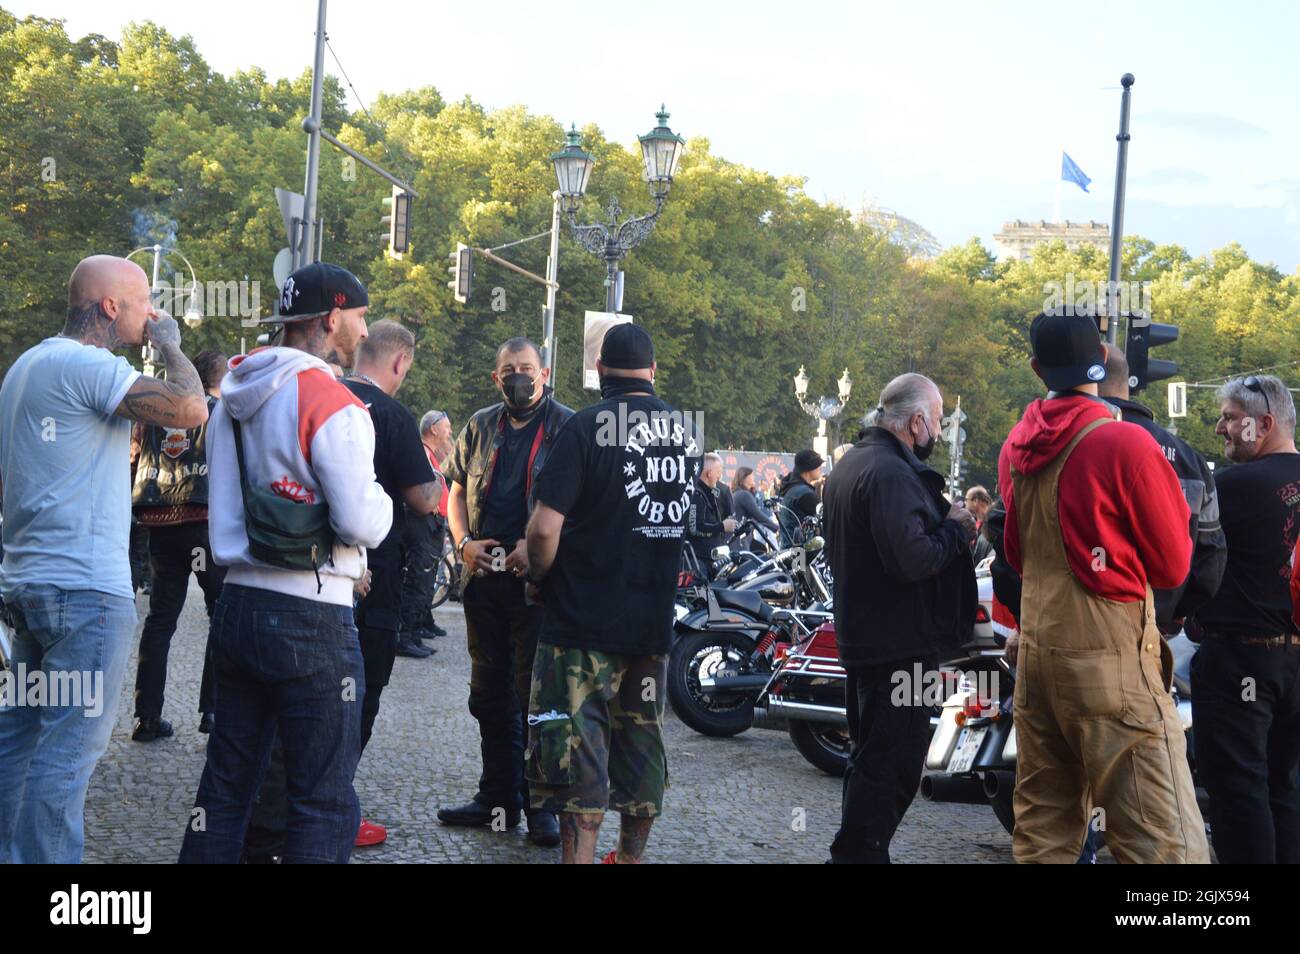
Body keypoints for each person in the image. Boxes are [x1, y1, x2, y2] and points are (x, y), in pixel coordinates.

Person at [179, 262, 392, 864]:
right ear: (331, 319)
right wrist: (382, 505)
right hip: (313, 614)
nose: (364, 329)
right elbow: (360, 520)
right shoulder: (332, 399)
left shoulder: (233, 396)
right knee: (322, 800)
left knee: (223, 790)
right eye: (359, 317)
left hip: (239, 600)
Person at [0, 254, 208, 863]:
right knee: (66, 758)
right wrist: (170, 345)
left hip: (25, 587)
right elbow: (191, 408)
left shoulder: (24, 368)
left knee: (18, 738)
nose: (153, 315)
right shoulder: (89, 365)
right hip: (84, 593)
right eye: (145, 303)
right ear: (111, 307)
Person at [998, 312, 1207, 864]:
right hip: (1109, 665)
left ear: (1037, 368)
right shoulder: (1124, 443)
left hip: (1038, 663)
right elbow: (1172, 566)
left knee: (1044, 830)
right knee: (1161, 837)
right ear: (1105, 363)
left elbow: (1015, 553)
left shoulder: (1015, 448)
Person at [524, 322, 700, 863]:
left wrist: (536, 578)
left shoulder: (584, 427)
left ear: (600, 370)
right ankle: (628, 860)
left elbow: (542, 530)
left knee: (577, 757)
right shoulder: (684, 435)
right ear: (652, 371)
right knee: (642, 748)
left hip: (580, 625)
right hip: (649, 627)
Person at [822, 373, 977, 863]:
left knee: (872, 758)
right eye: (935, 422)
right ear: (915, 422)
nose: (937, 433)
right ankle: (856, 856)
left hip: (871, 636)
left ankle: (860, 853)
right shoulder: (890, 472)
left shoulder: (855, 462)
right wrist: (955, 530)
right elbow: (911, 559)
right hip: (898, 645)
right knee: (892, 763)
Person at [439, 337, 572, 848]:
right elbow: (453, 492)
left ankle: (542, 807)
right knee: (488, 697)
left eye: (527, 368)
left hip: (537, 587)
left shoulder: (566, 427)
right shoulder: (478, 426)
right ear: (497, 378)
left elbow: (578, 506)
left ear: (545, 372)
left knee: (538, 698)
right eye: (509, 370)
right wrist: (464, 543)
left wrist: (533, 549)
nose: (519, 377)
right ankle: (496, 799)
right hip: (483, 582)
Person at [1190, 374, 1300, 864]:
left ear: (1265, 424)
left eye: (1232, 419)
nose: (1221, 428)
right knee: (1285, 787)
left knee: (1238, 791)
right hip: (1294, 663)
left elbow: (1184, 561)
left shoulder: (1231, 487)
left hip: (1242, 661)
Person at [344, 319, 441, 848]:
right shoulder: (393, 415)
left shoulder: (323, 394)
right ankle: (334, 805)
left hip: (316, 572)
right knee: (362, 693)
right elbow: (424, 498)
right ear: (400, 362)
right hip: (374, 576)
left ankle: (288, 807)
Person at [130, 348, 229, 741]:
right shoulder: (219, 411)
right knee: (219, 615)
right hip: (203, 525)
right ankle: (213, 712)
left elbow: (139, 454)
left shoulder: (161, 409)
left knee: (160, 620)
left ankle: (145, 716)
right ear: (219, 378)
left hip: (161, 524)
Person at [1098, 344, 1226, 633]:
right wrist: (1170, 612)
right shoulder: (1190, 460)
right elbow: (1212, 555)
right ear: (1127, 382)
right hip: (1156, 632)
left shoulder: (1072, 445)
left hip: (1083, 628)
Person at [399, 409, 453, 644]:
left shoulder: (430, 455)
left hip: (432, 523)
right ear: (433, 429)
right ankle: (408, 636)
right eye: (446, 428)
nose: (449, 433)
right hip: (423, 523)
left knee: (425, 578)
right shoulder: (422, 453)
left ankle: (417, 628)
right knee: (418, 578)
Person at [687, 452, 736, 569]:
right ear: (709, 473)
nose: (720, 477)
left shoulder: (708, 492)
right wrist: (722, 527)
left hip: (710, 559)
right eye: (719, 472)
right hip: (699, 562)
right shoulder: (697, 494)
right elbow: (694, 528)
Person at [777, 450, 823, 545]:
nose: (820, 468)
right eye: (818, 465)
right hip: (801, 554)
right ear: (809, 468)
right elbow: (827, 518)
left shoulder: (792, 487)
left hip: (789, 549)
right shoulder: (804, 494)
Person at [730, 466, 779, 550]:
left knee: (761, 549)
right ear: (744, 478)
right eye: (751, 475)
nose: (754, 477)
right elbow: (758, 516)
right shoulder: (744, 495)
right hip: (741, 540)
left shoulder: (739, 493)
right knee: (761, 553)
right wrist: (776, 528)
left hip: (741, 538)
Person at [964, 485, 994, 564]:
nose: (965, 503)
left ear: (976, 501)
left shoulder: (992, 524)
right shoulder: (976, 522)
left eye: (966, 499)